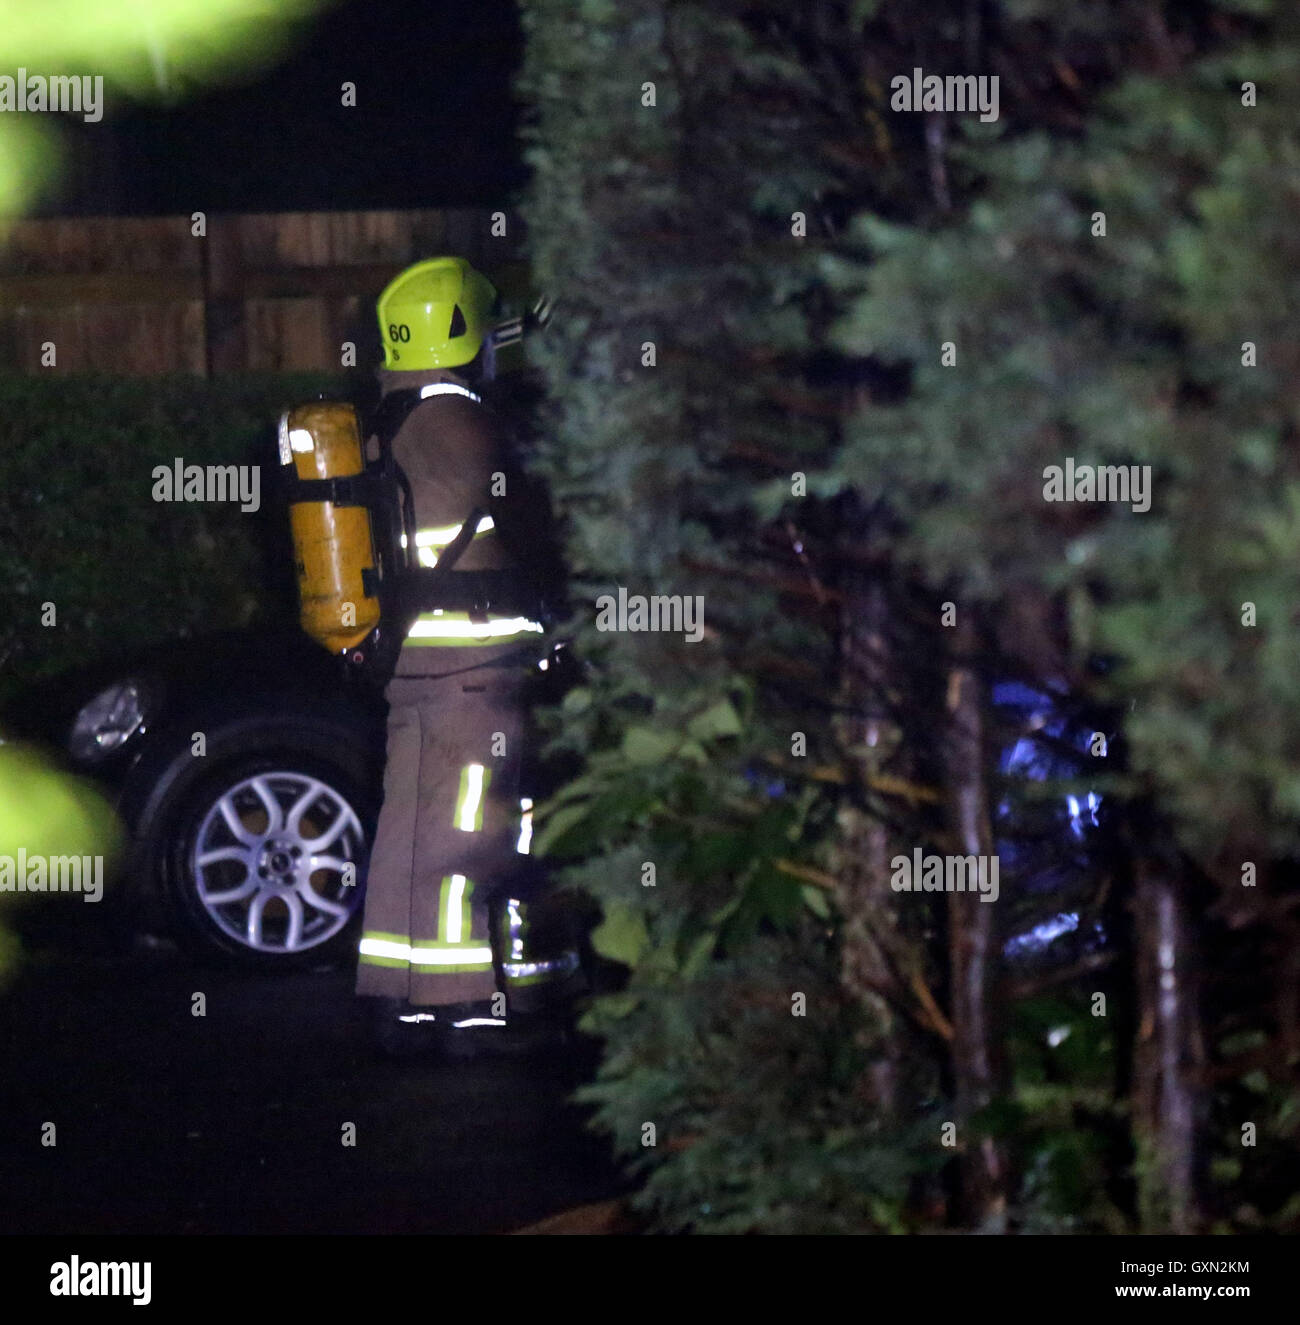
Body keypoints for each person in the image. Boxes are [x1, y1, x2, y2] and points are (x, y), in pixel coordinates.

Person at [355, 256, 566, 1049]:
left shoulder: (386, 423)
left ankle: (396, 991)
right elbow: (536, 519)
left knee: (408, 823)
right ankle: (465, 1002)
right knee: (471, 833)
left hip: (408, 665)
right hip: (476, 668)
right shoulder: (466, 421)